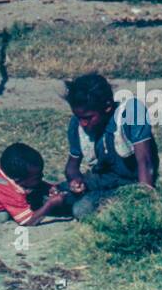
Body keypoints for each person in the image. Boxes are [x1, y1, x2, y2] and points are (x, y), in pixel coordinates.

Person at [63, 73, 157, 218]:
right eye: (79, 117)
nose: (83, 123)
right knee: (52, 195)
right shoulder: (78, 124)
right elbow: (71, 167)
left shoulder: (131, 112)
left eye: (88, 118)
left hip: (132, 182)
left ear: (107, 107)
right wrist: (75, 180)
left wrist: (144, 199)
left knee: (81, 209)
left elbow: (145, 162)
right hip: (103, 179)